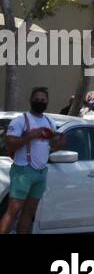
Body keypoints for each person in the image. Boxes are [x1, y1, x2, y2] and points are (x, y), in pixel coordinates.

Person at [0, 87, 66, 234]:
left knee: (29, 212)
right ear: (31, 100)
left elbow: (52, 147)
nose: (39, 102)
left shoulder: (50, 122)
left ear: (47, 102)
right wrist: (30, 136)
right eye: (37, 99)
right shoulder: (21, 120)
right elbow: (9, 143)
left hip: (41, 172)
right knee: (13, 211)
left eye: (43, 100)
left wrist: (59, 142)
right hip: (23, 170)